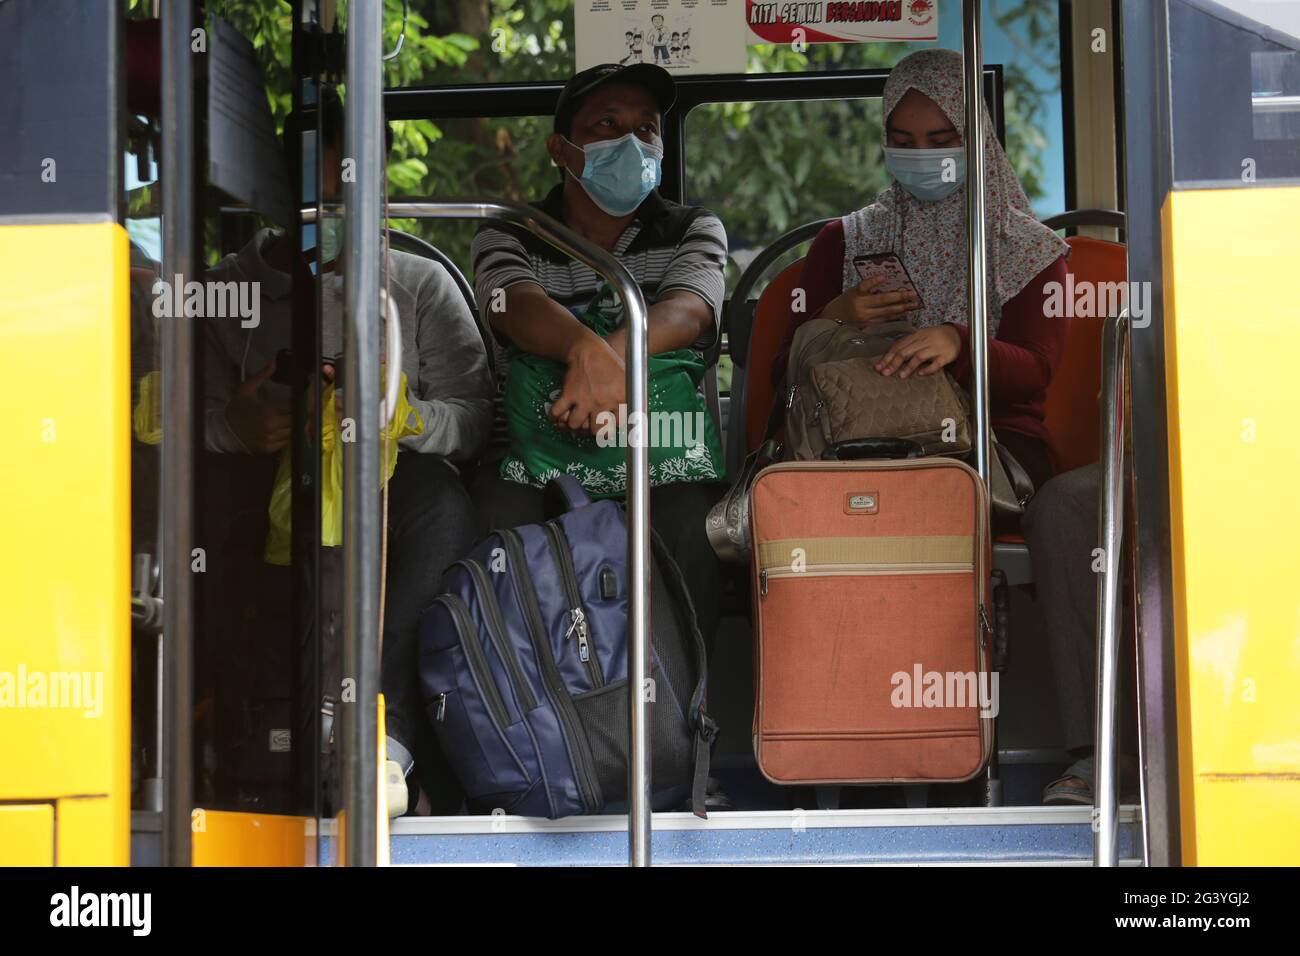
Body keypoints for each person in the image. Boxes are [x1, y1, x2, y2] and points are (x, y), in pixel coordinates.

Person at [201, 91, 495, 817]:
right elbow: (168, 424)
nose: (326, 210)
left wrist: (399, 415)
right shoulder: (222, 296)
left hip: (395, 489)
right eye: (309, 193)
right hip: (265, 486)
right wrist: (237, 426)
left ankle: (382, 747)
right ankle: (234, 749)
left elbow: (476, 420)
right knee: (207, 511)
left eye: (344, 192)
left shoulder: (420, 287)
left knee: (438, 502)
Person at [469, 62, 730, 651]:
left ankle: (684, 717)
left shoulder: (694, 228)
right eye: (608, 126)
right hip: (532, 454)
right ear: (561, 150)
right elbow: (510, 304)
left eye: (646, 128)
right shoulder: (511, 231)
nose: (633, 142)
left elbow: (690, 310)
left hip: (659, 449)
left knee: (692, 529)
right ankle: (516, 710)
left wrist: (602, 356)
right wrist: (583, 348)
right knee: (494, 526)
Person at [772, 49, 1070, 492]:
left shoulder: (1026, 247)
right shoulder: (845, 239)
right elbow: (785, 371)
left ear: (977, 137)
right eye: (904, 143)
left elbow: (1034, 371)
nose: (923, 156)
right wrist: (837, 314)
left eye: (943, 139)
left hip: (990, 438)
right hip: (857, 436)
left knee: (928, 495)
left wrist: (959, 343)